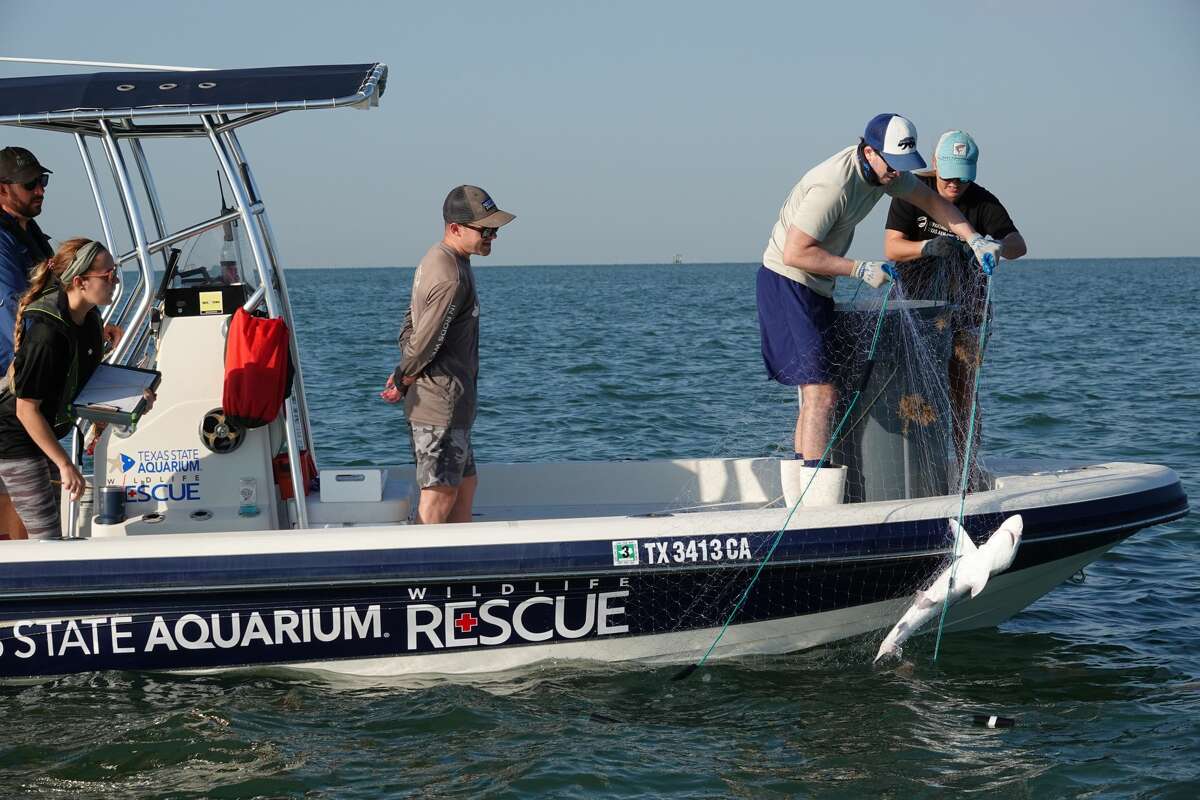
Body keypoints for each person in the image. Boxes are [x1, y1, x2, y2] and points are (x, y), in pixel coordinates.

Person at [758, 114, 1002, 496]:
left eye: (903, 165)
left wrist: (974, 239)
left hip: (816, 285)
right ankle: (815, 505)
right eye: (892, 164)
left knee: (816, 392)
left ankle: (803, 498)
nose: (897, 173)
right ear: (869, 151)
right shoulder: (833, 186)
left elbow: (933, 202)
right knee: (821, 392)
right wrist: (858, 268)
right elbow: (795, 253)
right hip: (787, 281)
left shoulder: (886, 172)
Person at [884, 130, 1026, 468]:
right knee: (914, 388)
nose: (954, 184)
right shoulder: (910, 190)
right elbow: (892, 248)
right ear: (935, 163)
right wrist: (926, 247)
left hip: (967, 307)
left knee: (963, 391)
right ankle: (916, 468)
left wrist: (998, 247)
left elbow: (1019, 245)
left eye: (962, 177)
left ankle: (966, 467)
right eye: (948, 175)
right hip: (917, 306)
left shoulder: (982, 201)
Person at [381, 185, 514, 524]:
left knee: (465, 485)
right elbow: (425, 341)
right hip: (440, 406)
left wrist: (404, 370)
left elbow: (410, 323)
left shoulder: (439, 259)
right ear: (455, 227)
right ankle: (419, 557)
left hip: (451, 404)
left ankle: (463, 553)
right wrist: (403, 377)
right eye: (485, 230)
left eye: (495, 229)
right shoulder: (451, 276)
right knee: (439, 495)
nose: (493, 236)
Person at [0, 238, 126, 540]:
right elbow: (25, 409)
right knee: (46, 538)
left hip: (42, 434)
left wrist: (134, 397)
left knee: (49, 534)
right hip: (15, 437)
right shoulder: (47, 335)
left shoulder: (89, 320)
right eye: (108, 275)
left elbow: (90, 382)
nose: (116, 281)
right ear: (80, 282)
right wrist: (65, 463)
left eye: (116, 272)